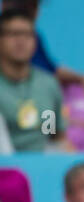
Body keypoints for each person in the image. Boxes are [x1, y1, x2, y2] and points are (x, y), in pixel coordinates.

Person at [0, 9, 68, 152]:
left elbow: (53, 136)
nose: (21, 41)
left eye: (28, 34)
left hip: (41, 167)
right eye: (13, 34)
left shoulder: (48, 85)